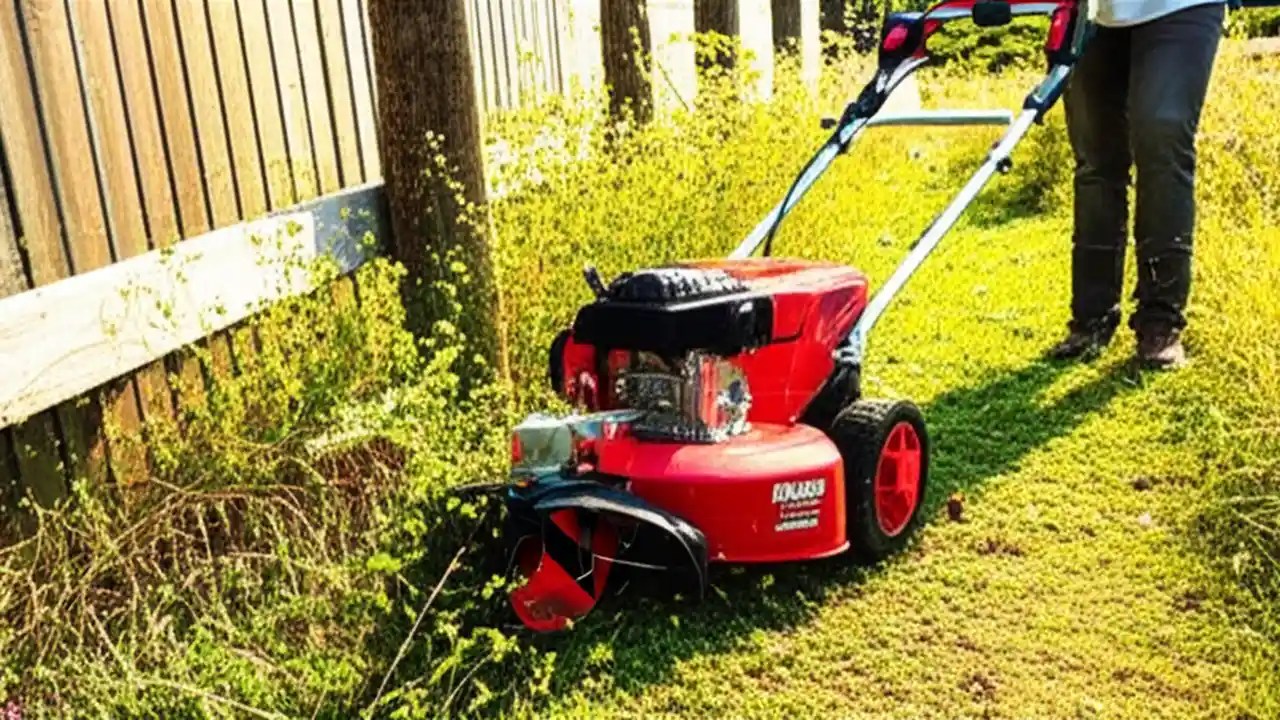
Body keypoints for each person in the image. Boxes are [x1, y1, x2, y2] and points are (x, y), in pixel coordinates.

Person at [1048, 0, 1226, 368]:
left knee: (1162, 137)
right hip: (1093, 12)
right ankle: (1091, 318)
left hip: (1180, 8)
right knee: (1095, 155)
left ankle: (1160, 321)